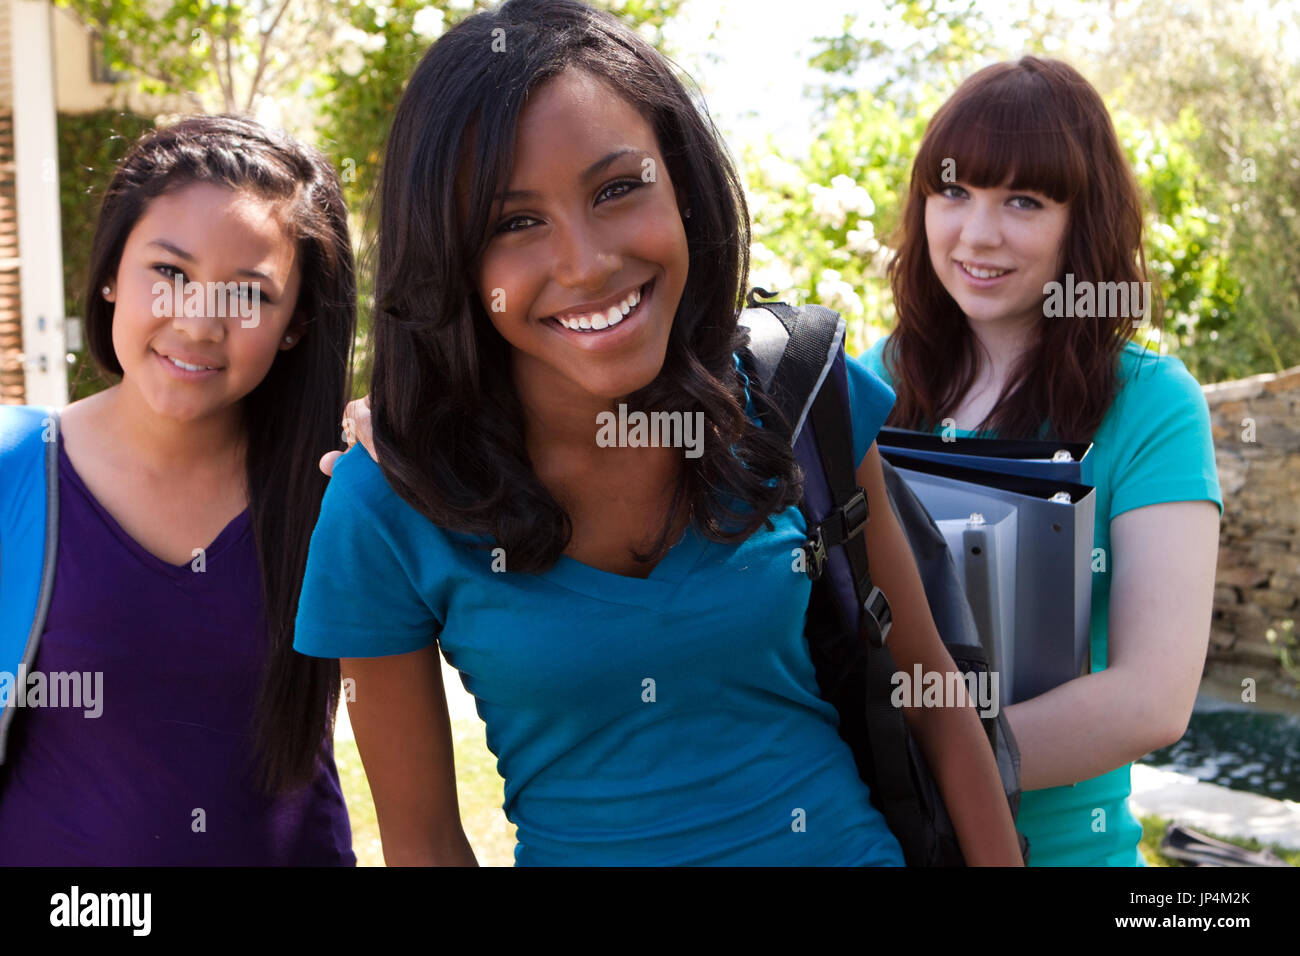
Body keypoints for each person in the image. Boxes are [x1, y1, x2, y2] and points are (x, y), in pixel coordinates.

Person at [297, 0, 1022, 866]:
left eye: (617, 189)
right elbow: (423, 843)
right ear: (451, 256)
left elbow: (932, 690)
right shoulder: (385, 503)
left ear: (682, 185)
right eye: (514, 223)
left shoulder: (797, 396)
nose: (587, 263)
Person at [863, 56, 1222, 866]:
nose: (977, 233)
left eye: (1023, 201)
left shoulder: (1154, 405)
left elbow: (1152, 701)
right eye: (953, 193)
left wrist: (919, 763)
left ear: (1081, 221)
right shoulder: (867, 384)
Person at [0, 115, 357, 865]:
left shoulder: (339, 491)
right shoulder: (15, 469)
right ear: (108, 275)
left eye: (249, 294)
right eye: (169, 272)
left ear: (295, 324)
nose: (198, 322)